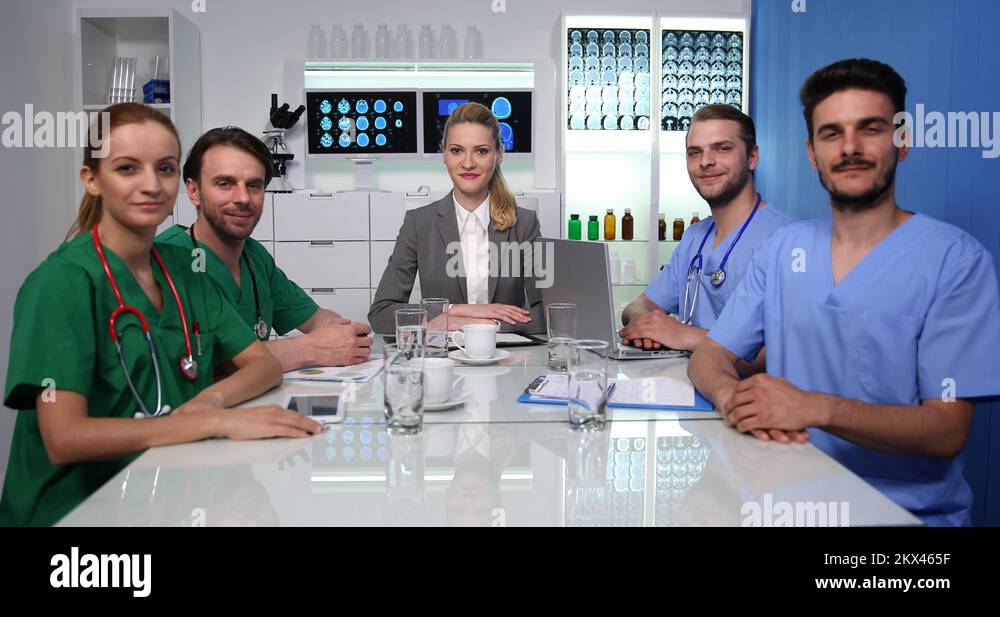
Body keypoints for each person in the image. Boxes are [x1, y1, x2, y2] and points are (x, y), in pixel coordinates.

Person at [688, 59, 1000, 526]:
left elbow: (947, 429)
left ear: (902, 139)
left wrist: (815, 408)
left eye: (869, 129)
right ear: (812, 152)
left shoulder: (954, 261)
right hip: (783, 504)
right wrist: (732, 396)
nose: (850, 147)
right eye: (831, 133)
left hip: (903, 518)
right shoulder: (783, 251)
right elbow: (708, 356)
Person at [0, 104, 321, 526]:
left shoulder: (186, 269)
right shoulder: (61, 283)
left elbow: (261, 365)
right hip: (74, 513)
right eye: (128, 168)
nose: (151, 185)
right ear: (92, 180)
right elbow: (64, 438)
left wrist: (210, 400)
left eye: (165, 168)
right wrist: (210, 423)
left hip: (161, 496)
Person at [157, 127, 372, 371]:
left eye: (254, 185)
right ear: (194, 191)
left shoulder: (253, 256)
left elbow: (312, 317)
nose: (243, 198)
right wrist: (312, 347)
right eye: (225, 183)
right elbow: (201, 362)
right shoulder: (167, 257)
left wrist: (344, 333)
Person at [620, 105, 793, 353]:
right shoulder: (695, 237)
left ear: (752, 157)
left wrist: (684, 335)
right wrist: (645, 323)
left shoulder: (788, 239)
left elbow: (785, 350)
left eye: (722, 149)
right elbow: (641, 304)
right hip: (682, 382)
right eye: (694, 152)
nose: (705, 161)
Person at [368, 102, 543, 335]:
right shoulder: (418, 224)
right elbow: (381, 314)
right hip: (439, 361)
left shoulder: (525, 224)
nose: (468, 163)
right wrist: (452, 311)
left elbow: (549, 313)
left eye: (481, 151)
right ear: (444, 155)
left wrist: (481, 324)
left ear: (499, 155)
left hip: (505, 360)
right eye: (457, 150)